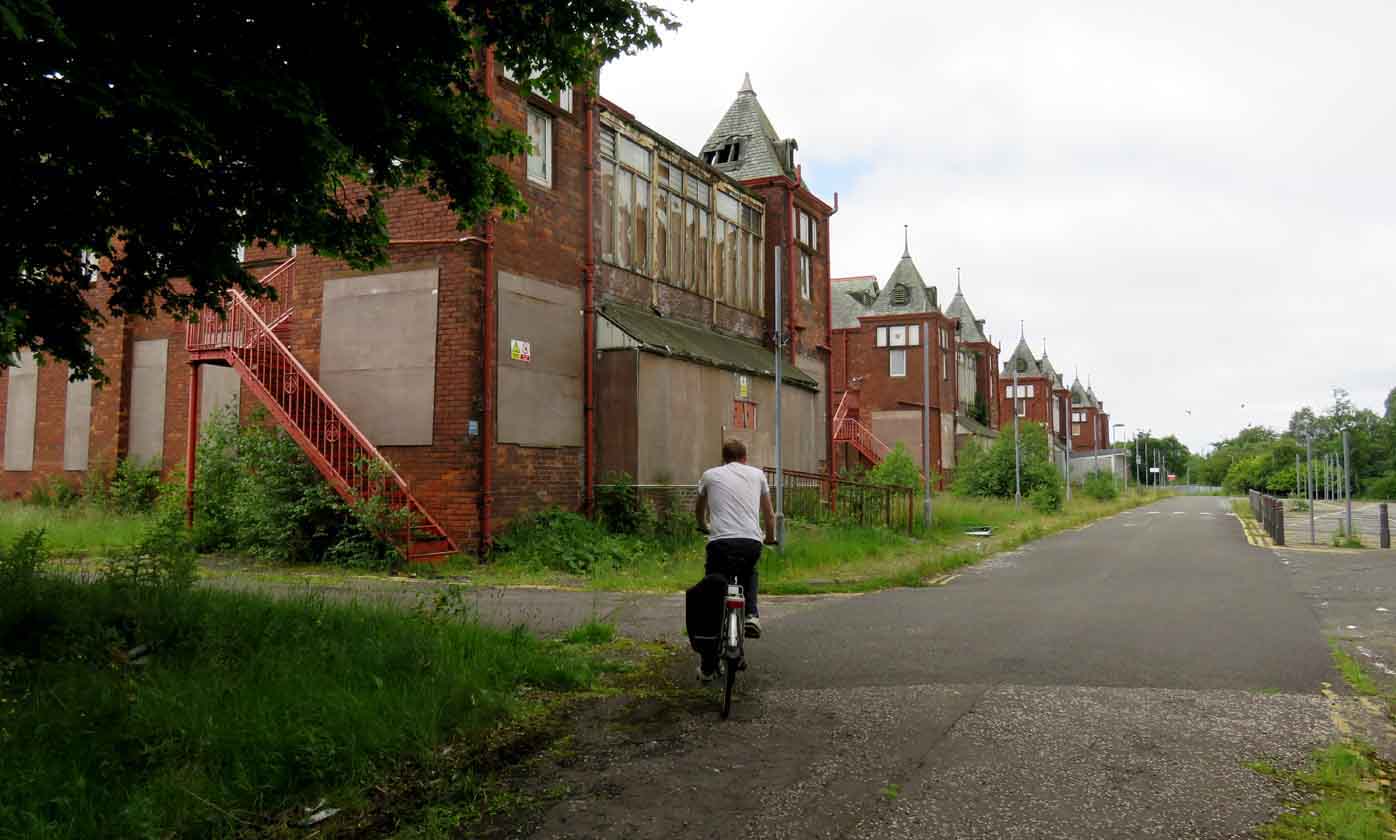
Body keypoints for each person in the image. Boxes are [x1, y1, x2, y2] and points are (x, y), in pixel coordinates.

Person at [694, 439, 776, 681]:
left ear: (723, 458)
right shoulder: (757, 475)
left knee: (712, 590)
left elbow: (699, 510)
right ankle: (751, 614)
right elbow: (769, 515)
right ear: (744, 458)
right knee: (749, 572)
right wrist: (769, 538)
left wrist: (703, 526)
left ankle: (708, 666)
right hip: (750, 542)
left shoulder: (710, 475)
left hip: (720, 543)